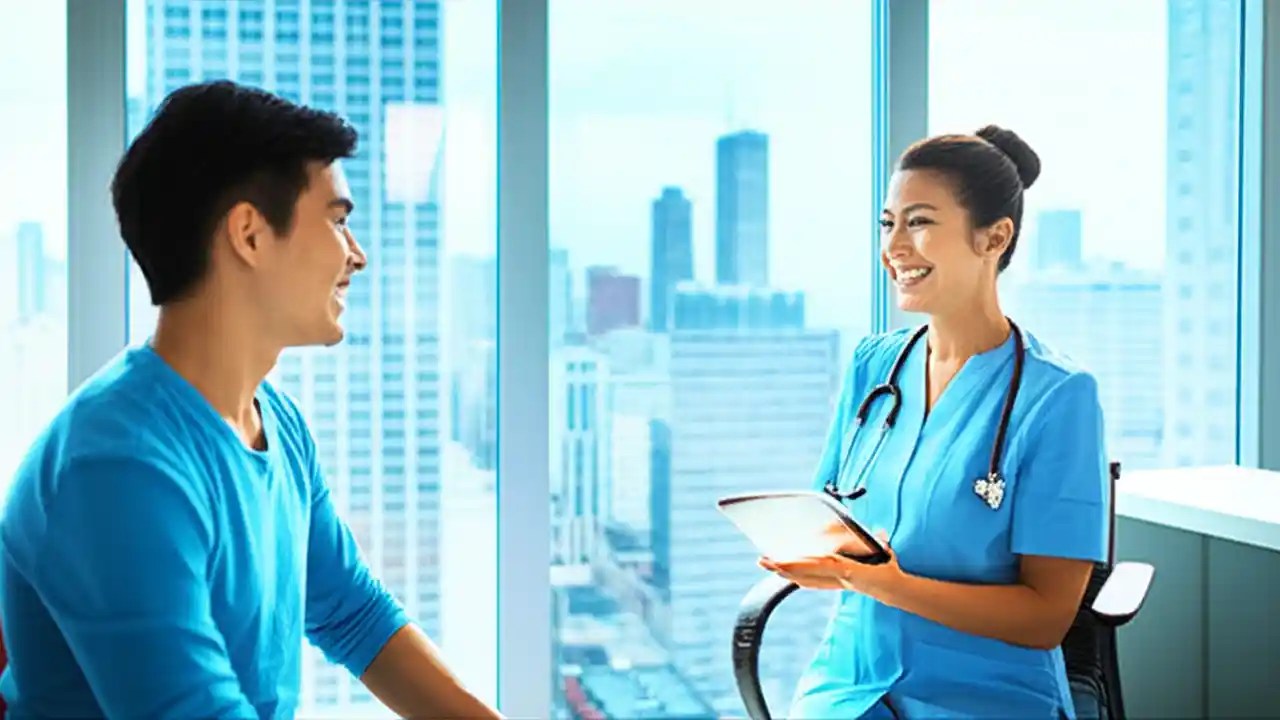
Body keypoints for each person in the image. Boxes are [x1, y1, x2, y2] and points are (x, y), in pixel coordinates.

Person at [0, 81, 501, 719]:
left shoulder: (276, 423)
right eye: (338, 221)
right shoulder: (117, 468)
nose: (358, 255)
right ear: (250, 235)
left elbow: (354, 614)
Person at [757, 126, 1108, 718]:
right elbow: (831, 516)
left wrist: (886, 584)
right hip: (848, 686)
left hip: (982, 697)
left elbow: (1046, 617)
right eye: (887, 223)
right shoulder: (875, 366)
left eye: (919, 222)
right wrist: (815, 556)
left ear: (994, 238)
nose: (895, 245)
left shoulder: (1058, 398)